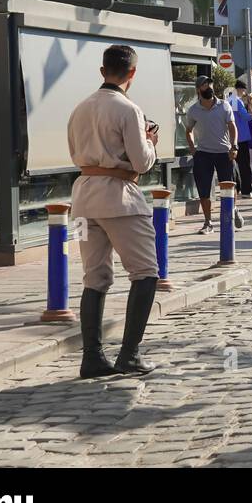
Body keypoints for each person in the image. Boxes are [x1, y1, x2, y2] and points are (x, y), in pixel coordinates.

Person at [66, 44, 160, 378]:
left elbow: (74, 151)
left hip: (82, 198)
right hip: (119, 197)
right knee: (145, 272)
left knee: (94, 276)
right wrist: (151, 142)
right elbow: (141, 162)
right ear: (132, 73)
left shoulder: (80, 108)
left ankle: (91, 356)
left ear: (102, 70)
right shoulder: (128, 109)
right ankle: (129, 354)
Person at [185, 75, 241, 234]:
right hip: (203, 154)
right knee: (203, 190)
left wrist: (234, 146)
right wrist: (193, 149)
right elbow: (188, 130)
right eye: (204, 85)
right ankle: (208, 222)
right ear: (198, 90)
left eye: (210, 84)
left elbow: (232, 126)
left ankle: (233, 210)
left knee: (229, 186)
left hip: (224, 152)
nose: (209, 87)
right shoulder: (193, 110)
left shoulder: (224, 105)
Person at [230, 79, 252, 199]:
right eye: (244, 91)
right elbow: (245, 116)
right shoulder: (236, 101)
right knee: (244, 165)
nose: (245, 93)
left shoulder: (230, 100)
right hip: (241, 137)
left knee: (235, 165)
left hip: (233, 137)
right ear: (241, 89)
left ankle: (238, 188)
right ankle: (246, 190)